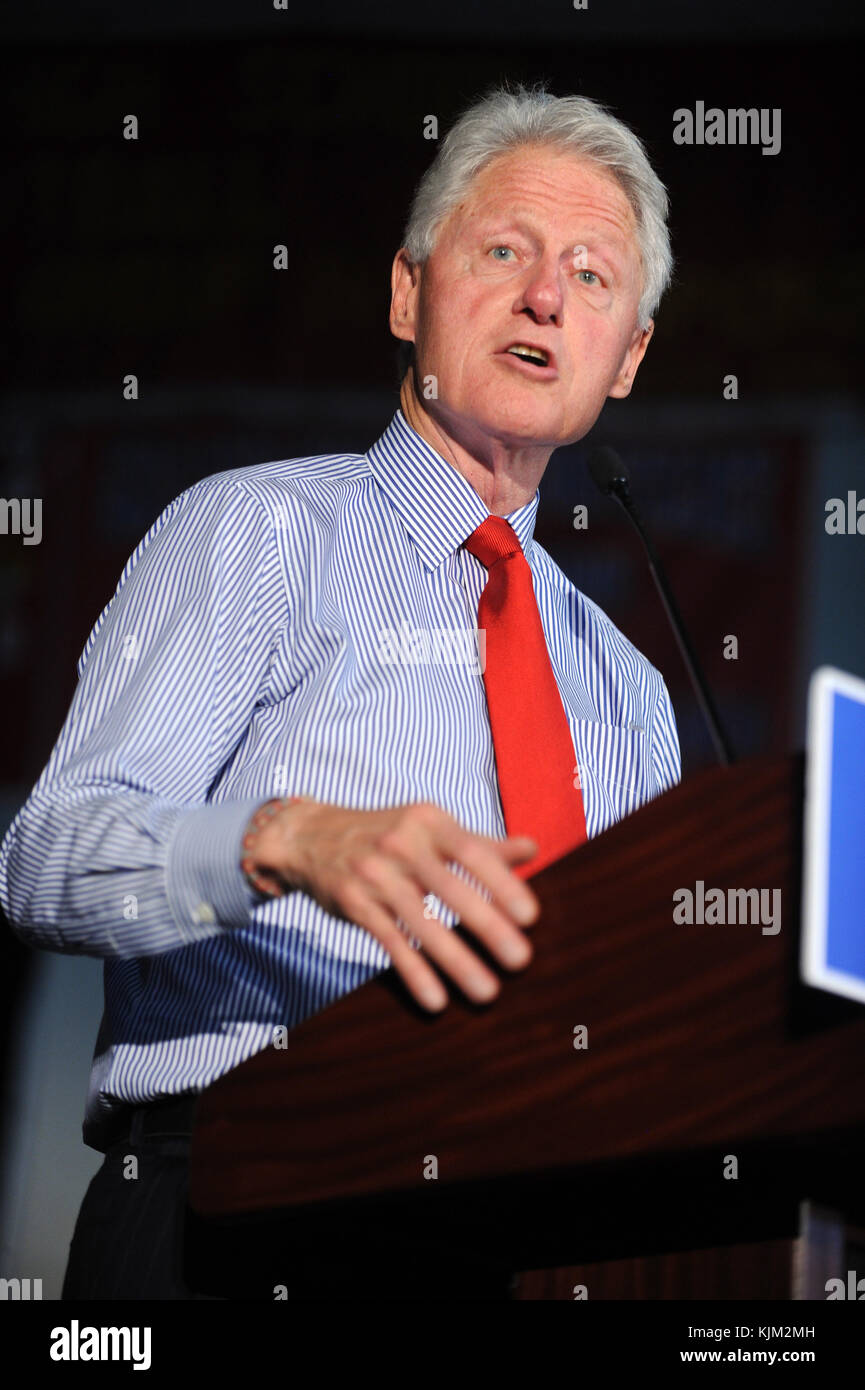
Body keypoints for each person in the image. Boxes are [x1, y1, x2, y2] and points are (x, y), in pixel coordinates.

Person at [0, 82, 681, 1300]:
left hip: (529, 1247)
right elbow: (46, 858)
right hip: (237, 1221)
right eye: (505, 251)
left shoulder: (629, 687)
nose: (544, 298)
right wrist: (281, 840)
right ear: (407, 292)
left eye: (591, 276)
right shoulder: (256, 532)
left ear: (625, 356)